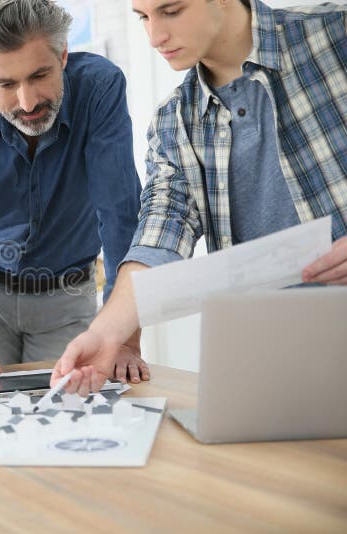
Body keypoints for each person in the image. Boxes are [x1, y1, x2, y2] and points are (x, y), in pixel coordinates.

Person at [53, 0, 347, 395]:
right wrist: (104, 333)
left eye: (171, 11)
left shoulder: (335, 33)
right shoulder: (174, 120)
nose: (155, 36)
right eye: (143, 18)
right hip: (275, 367)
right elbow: (159, 233)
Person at [0, 0, 145, 393]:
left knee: (69, 413)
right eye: (6, 85)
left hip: (67, 298)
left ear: (63, 56)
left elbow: (119, 213)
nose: (28, 102)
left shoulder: (99, 87)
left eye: (40, 75)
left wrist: (124, 338)